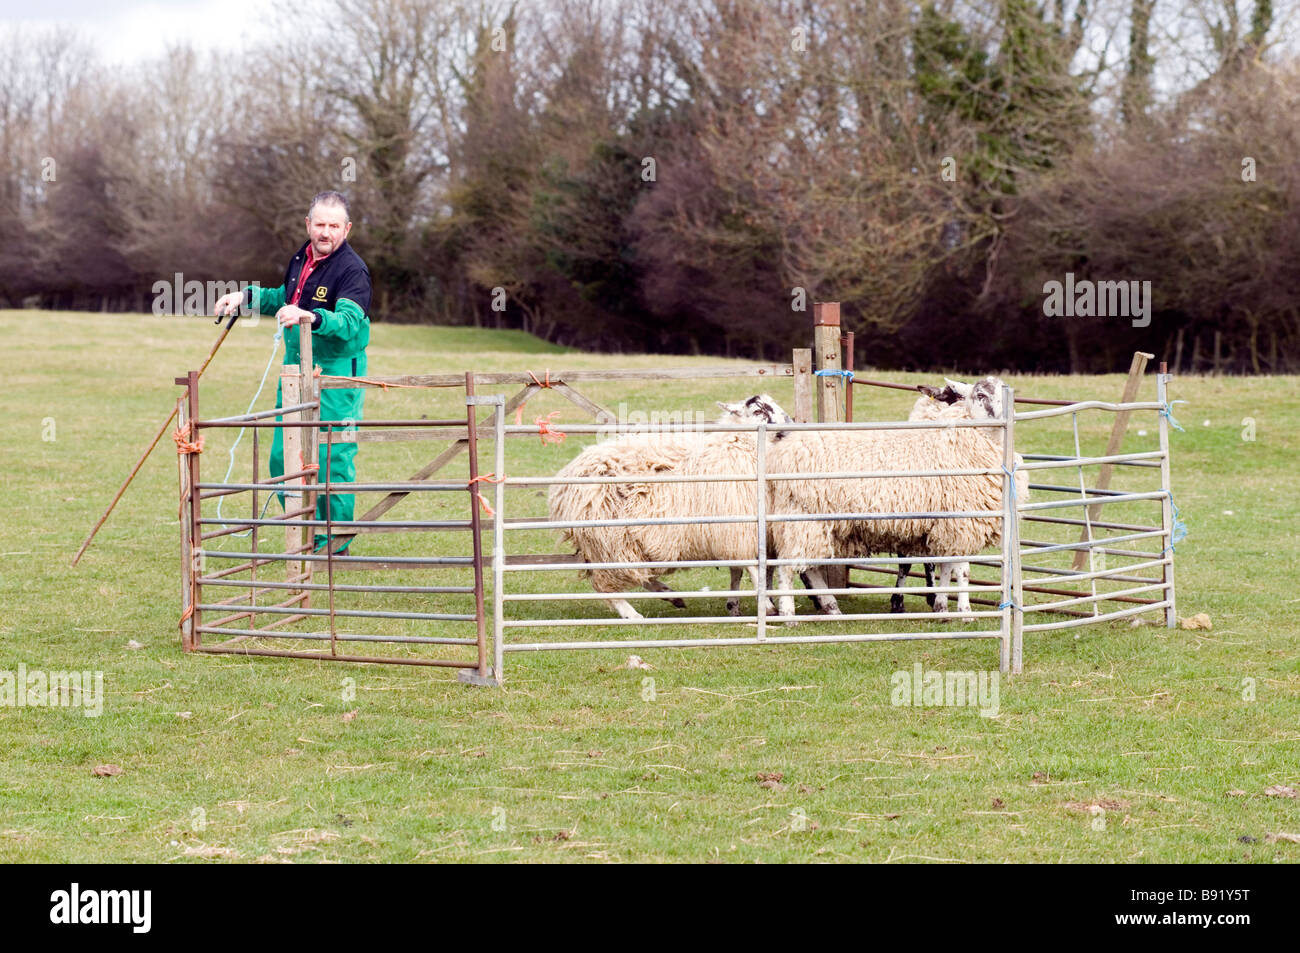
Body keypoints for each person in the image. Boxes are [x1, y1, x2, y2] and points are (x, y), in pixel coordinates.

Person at [214, 191, 371, 553]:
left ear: (346, 229)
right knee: (282, 458)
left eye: (334, 225)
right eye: (320, 224)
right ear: (308, 224)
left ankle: (334, 542)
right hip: (294, 371)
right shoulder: (301, 257)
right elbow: (285, 298)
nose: (325, 232)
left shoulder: (352, 270)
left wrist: (311, 317)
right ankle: (304, 530)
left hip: (335, 375)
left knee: (332, 457)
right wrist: (245, 297)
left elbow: (349, 322)